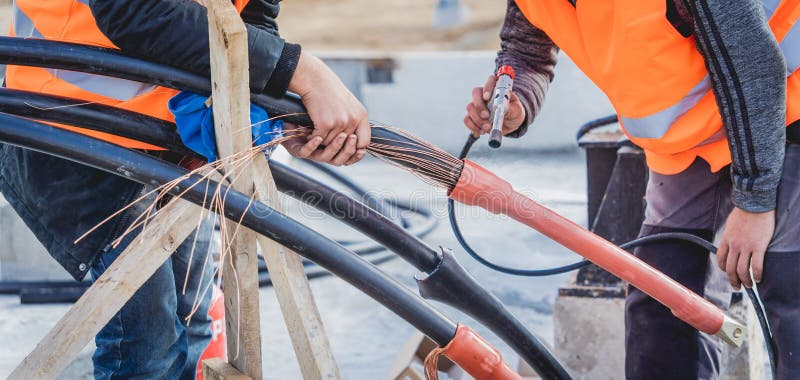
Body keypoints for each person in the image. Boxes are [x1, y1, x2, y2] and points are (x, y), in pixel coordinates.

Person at [0, 0, 370, 379]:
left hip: (172, 138)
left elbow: (249, 16)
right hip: (71, 132)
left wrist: (270, 107)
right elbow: (134, 13)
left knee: (192, 321)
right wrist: (302, 72)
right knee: (148, 346)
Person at [464, 0, 799, 378]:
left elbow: (753, 63)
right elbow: (527, 50)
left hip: (789, 101)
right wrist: (516, 100)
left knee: (791, 294)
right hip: (694, 141)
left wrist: (754, 202)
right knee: (663, 306)